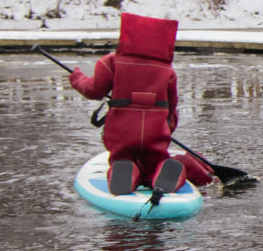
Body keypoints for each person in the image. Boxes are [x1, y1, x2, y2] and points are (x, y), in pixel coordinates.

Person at [69, 12, 187, 200]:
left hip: (122, 131)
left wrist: (77, 78)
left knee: (121, 158)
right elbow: (172, 109)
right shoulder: (167, 71)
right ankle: (159, 173)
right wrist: (168, 130)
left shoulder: (111, 62)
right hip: (154, 133)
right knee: (156, 161)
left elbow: (94, 90)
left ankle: (127, 170)